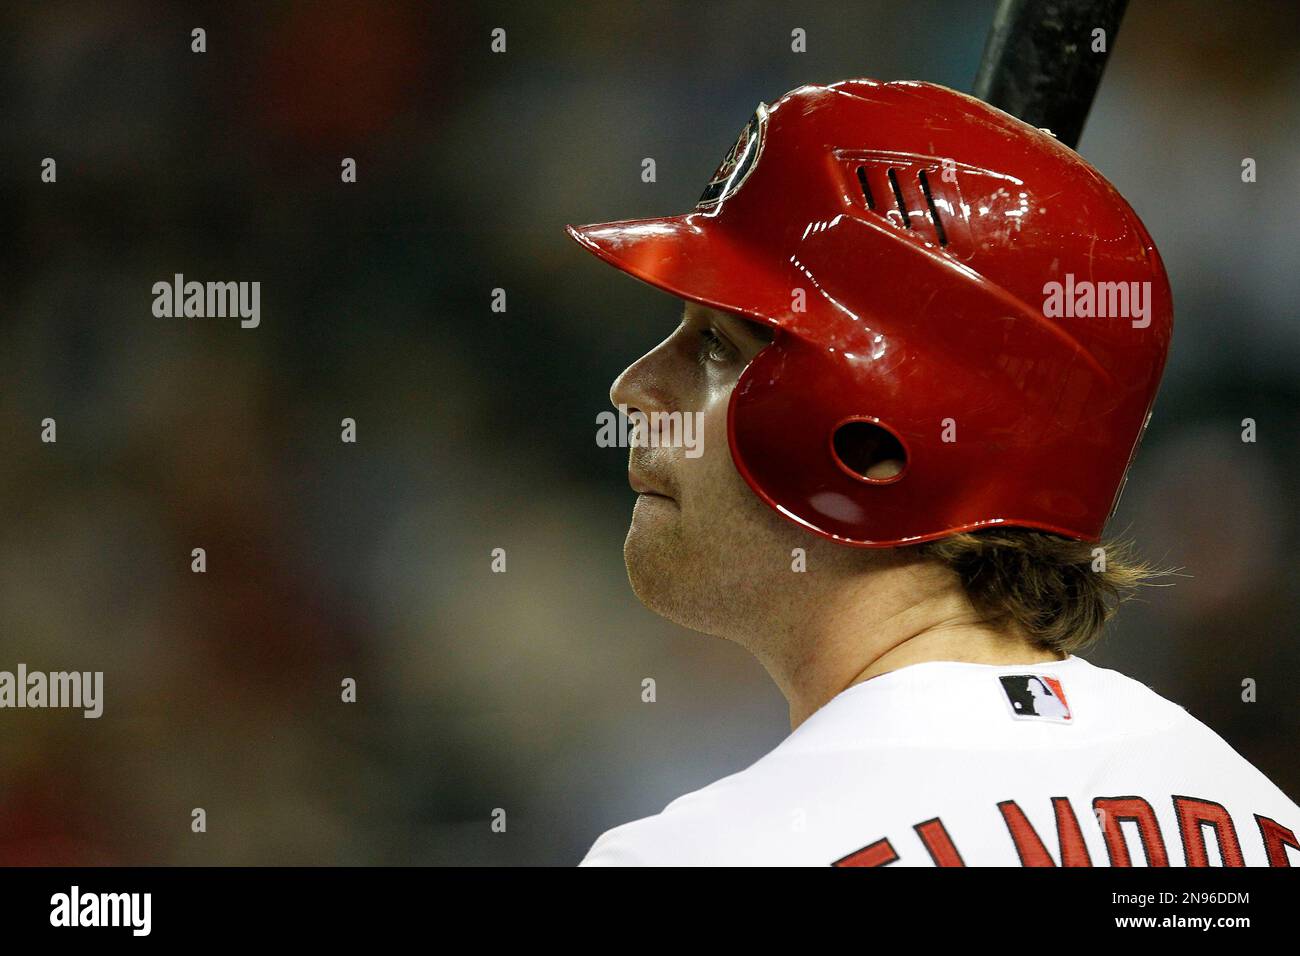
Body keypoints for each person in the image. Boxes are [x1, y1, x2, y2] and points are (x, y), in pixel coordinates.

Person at [565, 79, 1299, 866]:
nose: (634, 389)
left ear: (878, 440)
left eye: (718, 345)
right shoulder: (1262, 822)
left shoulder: (701, 855)